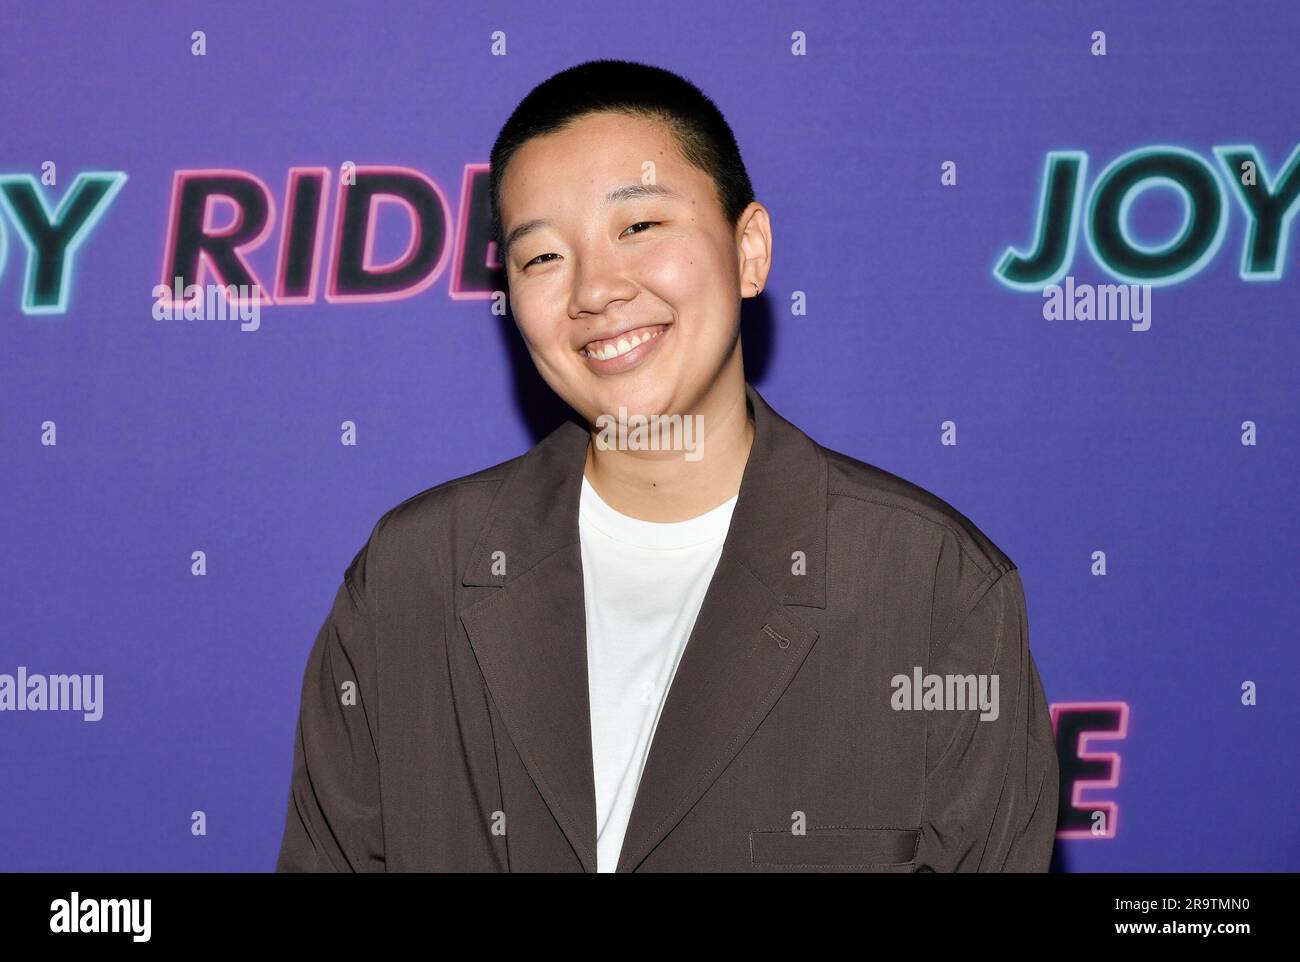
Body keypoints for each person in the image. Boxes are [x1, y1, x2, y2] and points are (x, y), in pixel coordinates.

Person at [275, 58, 1059, 873]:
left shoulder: (932, 587)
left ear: (748, 250)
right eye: (542, 258)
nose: (596, 291)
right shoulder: (411, 578)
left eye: (639, 227)